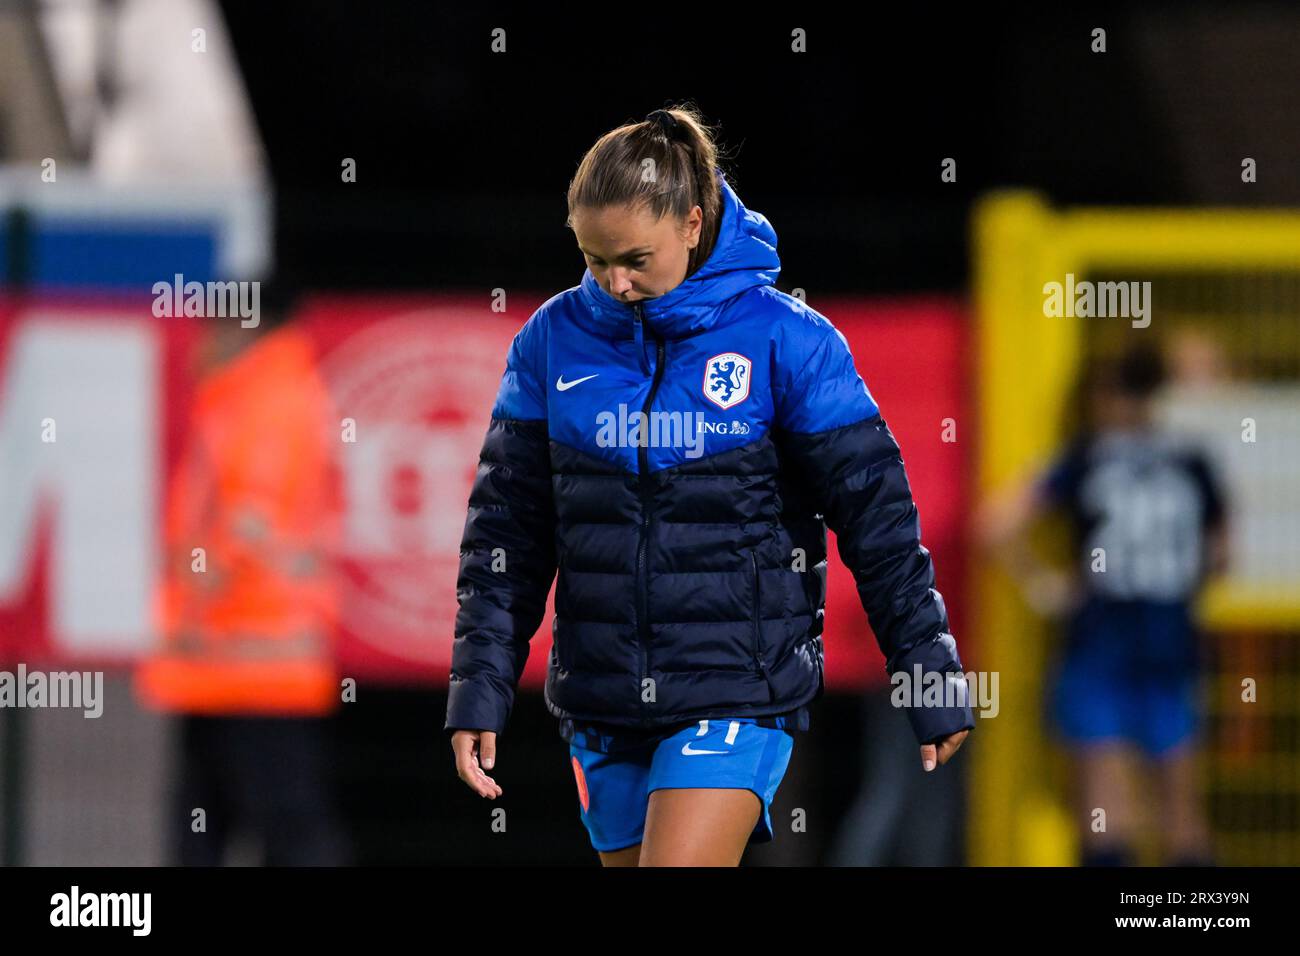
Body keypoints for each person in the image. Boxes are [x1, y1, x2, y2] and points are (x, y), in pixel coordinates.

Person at [445, 105, 974, 866]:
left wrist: (926, 669)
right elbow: (506, 536)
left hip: (737, 689)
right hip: (602, 698)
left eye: (634, 258)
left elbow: (877, 517)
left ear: (692, 224)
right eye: (595, 260)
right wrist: (481, 686)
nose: (615, 282)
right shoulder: (549, 342)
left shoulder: (788, 339)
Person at [976, 343, 1229, 866]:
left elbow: (995, 524)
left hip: (1101, 645)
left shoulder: (1087, 455)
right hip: (1168, 641)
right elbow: (1220, 557)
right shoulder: (1191, 458)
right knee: (1182, 815)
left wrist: (1046, 585)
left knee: (1105, 817)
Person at [136, 282, 350, 866]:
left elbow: (248, 525)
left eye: (213, 324)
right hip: (224, 666)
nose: (201, 340)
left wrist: (199, 584)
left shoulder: (269, 403)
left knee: (286, 833)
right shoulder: (251, 398)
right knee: (205, 833)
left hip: (252, 666)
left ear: (247, 327)